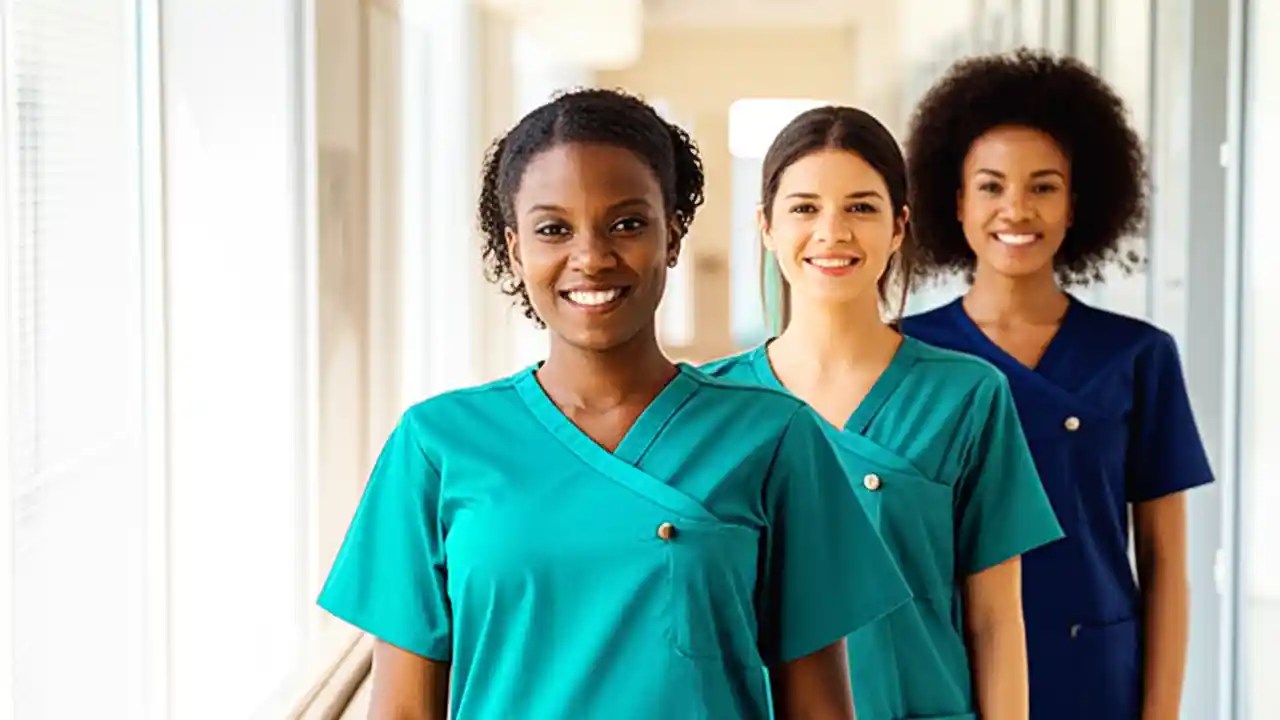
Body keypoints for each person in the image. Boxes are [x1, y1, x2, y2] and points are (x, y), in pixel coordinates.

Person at [317, 88, 911, 720]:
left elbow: (820, 707)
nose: (592, 257)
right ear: (517, 249)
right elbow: (402, 711)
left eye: (627, 223)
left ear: (673, 236)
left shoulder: (774, 437)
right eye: (554, 230)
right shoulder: (436, 445)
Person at [703, 105, 1063, 720]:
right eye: (804, 207)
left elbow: (997, 621)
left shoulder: (968, 396)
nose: (832, 232)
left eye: (861, 207)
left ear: (898, 226)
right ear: (765, 226)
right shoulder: (711, 406)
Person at [900, 49, 1215, 720]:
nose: (1016, 209)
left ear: (1077, 204)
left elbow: (1165, 563)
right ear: (954, 201)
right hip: (947, 675)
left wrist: (1160, 713)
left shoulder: (1138, 356)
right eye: (991, 186)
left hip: (1095, 678)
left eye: (1043, 186)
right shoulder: (905, 353)